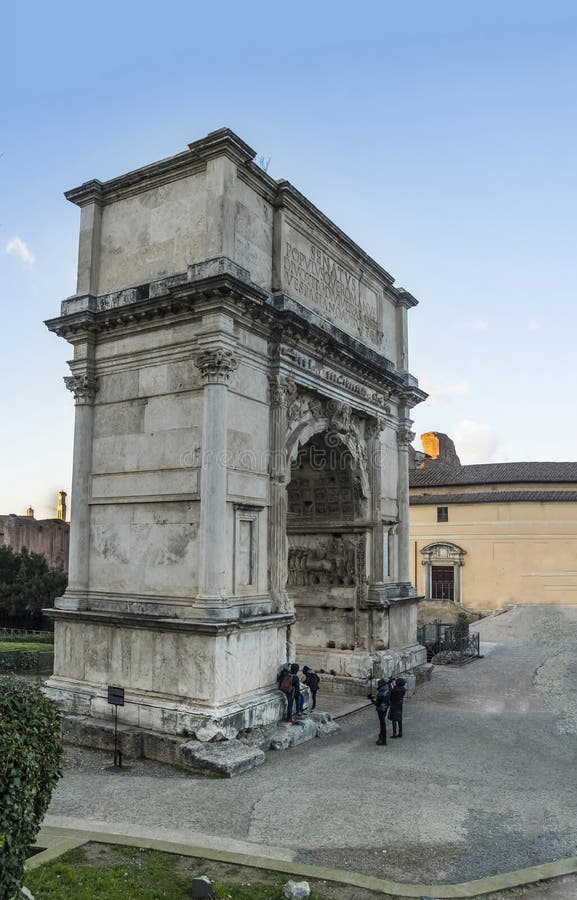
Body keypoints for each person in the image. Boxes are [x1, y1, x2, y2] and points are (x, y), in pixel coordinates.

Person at [368, 678, 390, 745]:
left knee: (382, 724)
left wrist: (371, 699)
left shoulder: (381, 693)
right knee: (383, 723)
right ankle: (382, 737)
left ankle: (383, 739)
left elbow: (377, 703)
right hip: (385, 708)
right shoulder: (387, 690)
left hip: (381, 709)